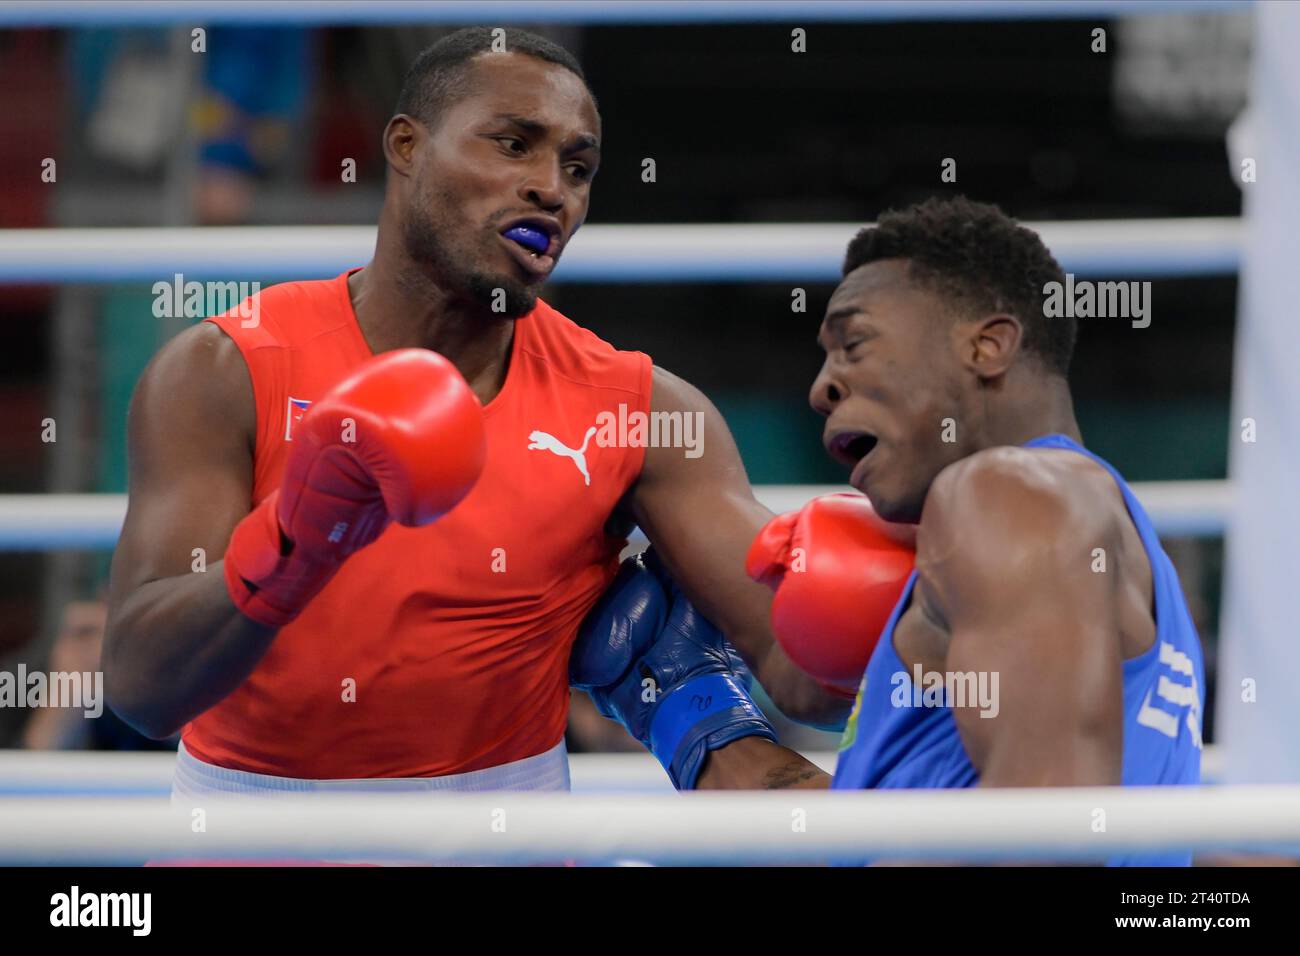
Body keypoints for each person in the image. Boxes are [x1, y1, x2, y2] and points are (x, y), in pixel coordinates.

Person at [103, 27, 853, 801]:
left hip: (507, 839)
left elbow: (808, 680)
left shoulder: (640, 411)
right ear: (405, 146)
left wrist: (900, 582)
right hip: (249, 839)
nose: (551, 189)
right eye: (514, 144)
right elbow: (141, 690)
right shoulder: (223, 370)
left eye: (578, 167)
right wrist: (292, 547)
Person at [574, 197, 1206, 866]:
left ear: (987, 345)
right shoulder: (1089, 528)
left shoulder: (1008, 495)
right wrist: (692, 713)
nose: (822, 388)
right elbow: (890, 835)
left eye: (854, 344)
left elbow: (1047, 846)